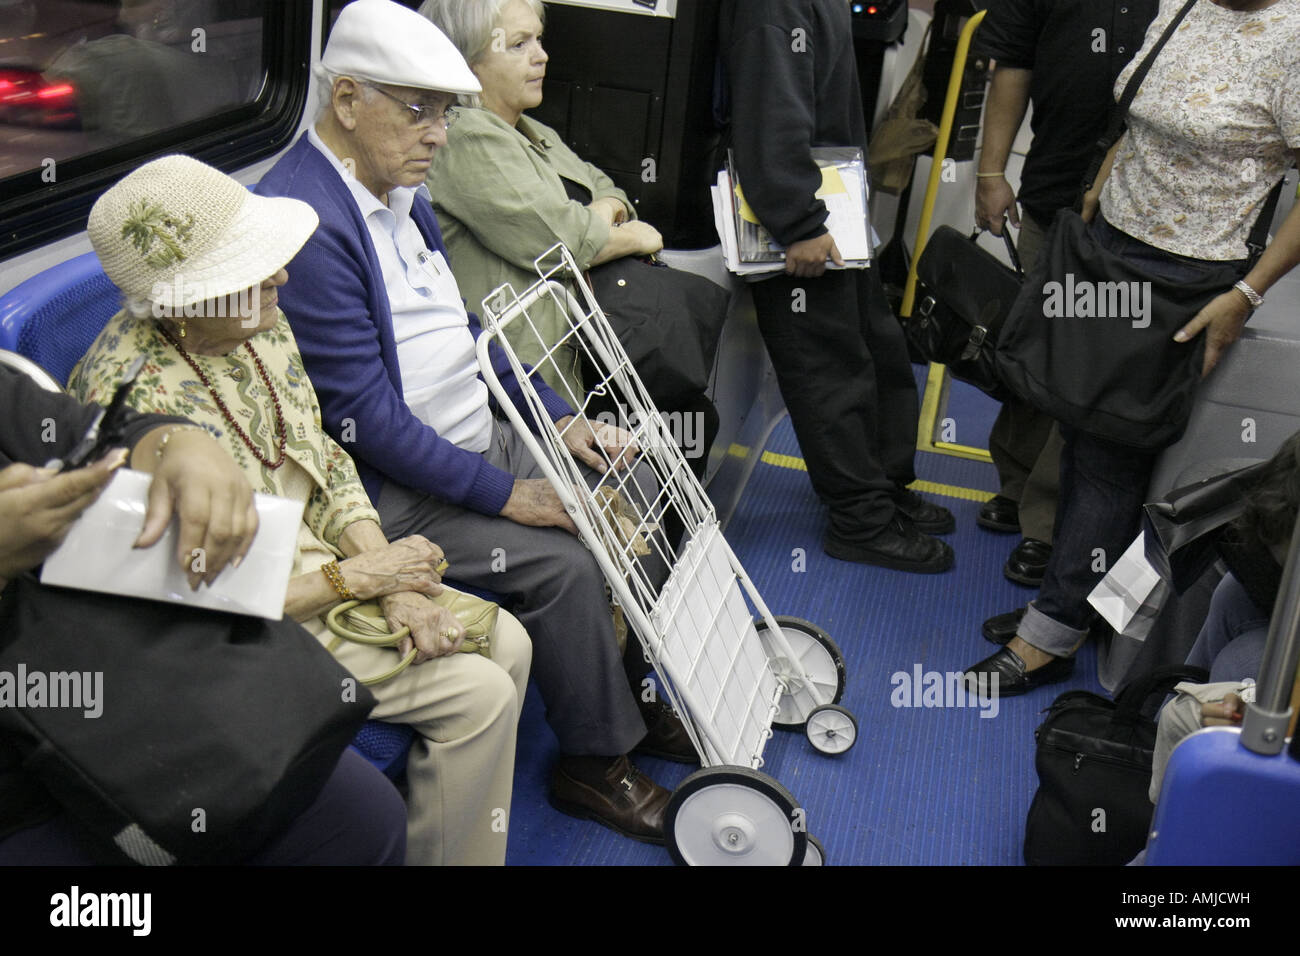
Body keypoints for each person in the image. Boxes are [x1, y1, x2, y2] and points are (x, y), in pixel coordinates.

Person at [256, 0, 692, 845]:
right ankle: (593, 765)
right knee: (565, 561)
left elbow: (472, 337)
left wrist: (558, 420)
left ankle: (631, 695)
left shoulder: (398, 190)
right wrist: (508, 496)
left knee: (632, 474)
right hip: (396, 490)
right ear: (346, 101)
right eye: (418, 110)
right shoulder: (309, 222)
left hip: (469, 437)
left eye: (446, 113)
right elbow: (366, 423)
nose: (439, 136)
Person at [67, 154, 531, 866]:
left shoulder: (262, 327)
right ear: (190, 301)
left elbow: (325, 459)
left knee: (513, 644)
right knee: (478, 697)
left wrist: (396, 578)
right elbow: (190, 607)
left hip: (325, 559)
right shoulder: (123, 409)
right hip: (242, 618)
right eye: (256, 270)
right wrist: (362, 581)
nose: (283, 276)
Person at [966, 0, 1300, 695]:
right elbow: (1141, 108)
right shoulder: (1186, 4)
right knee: (1080, 433)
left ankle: (1050, 635)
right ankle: (1074, 607)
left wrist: (1246, 295)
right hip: (1110, 251)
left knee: (1113, 453)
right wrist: (1099, 186)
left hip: (1189, 276)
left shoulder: (1293, 38)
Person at [0, 364, 407, 865]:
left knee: (364, 819)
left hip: (131, 664)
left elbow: (90, 430)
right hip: (24, 793)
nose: (279, 280)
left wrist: (178, 443)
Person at [418, 0, 721, 479]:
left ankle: (656, 548)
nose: (541, 56)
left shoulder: (531, 130)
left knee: (692, 418)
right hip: (530, 368)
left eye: (538, 40)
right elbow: (559, 244)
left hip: (590, 338)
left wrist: (595, 219)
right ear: (467, 61)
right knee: (679, 432)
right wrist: (623, 232)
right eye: (519, 45)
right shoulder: (467, 137)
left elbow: (613, 192)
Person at [720, 0, 956, 574]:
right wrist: (799, 221)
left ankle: (881, 486)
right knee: (830, 370)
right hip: (801, 219)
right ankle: (861, 520)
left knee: (875, 348)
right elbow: (772, 112)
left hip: (834, 199)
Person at [973, 0, 1158, 594]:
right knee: (1030, 347)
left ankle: (1046, 519)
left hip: (1134, 215)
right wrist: (990, 172)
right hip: (1052, 186)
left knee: (1077, 369)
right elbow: (1014, 64)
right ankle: (1016, 480)